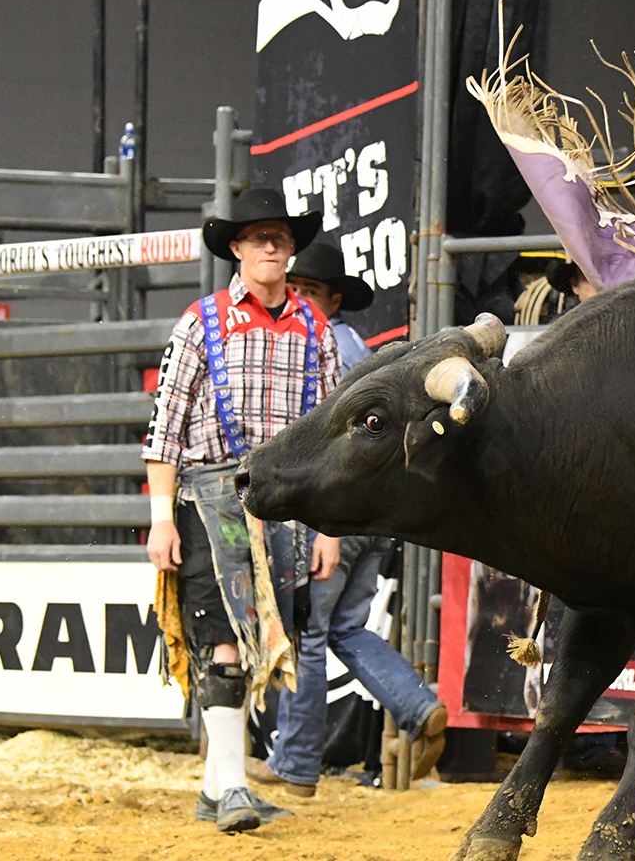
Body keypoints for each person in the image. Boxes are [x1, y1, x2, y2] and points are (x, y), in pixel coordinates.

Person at [144, 188, 342, 831]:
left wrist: (328, 528)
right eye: (259, 237)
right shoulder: (200, 322)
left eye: (281, 238)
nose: (271, 248)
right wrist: (162, 518)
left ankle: (217, 789)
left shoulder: (316, 331)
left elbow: (333, 440)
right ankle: (232, 786)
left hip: (284, 505)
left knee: (261, 641)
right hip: (210, 498)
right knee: (223, 640)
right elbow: (165, 428)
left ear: (291, 250)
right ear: (236, 248)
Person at [249, 243, 447, 797]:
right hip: (370, 513)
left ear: (333, 300)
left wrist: (322, 527)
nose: (299, 297)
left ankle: (295, 763)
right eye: (297, 288)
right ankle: (417, 706)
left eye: (310, 291)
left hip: (336, 510)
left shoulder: (320, 344)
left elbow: (329, 449)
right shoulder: (358, 346)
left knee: (308, 631)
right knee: (344, 627)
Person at [287, 242, 378, 368]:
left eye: (311, 292)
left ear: (335, 302)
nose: (296, 300)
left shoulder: (328, 351)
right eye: (293, 289)